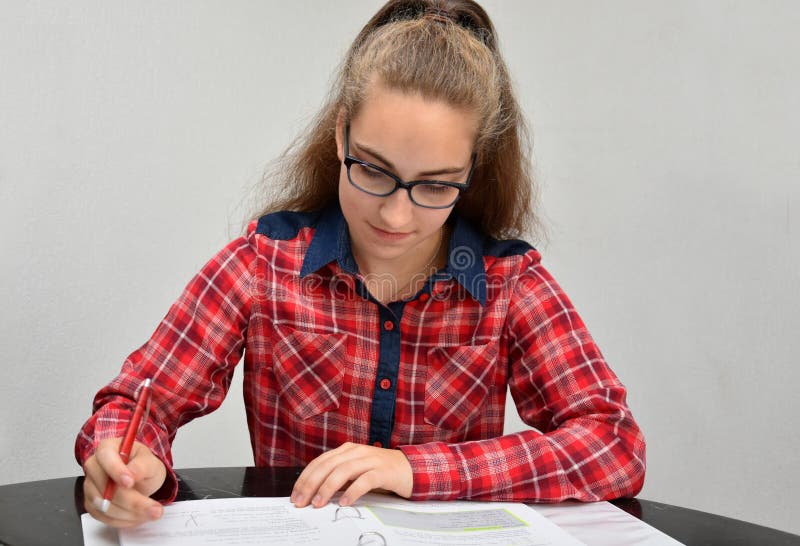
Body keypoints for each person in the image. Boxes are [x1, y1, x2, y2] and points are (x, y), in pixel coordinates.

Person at [77, 0, 646, 529]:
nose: (397, 215)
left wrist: (413, 469)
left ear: (473, 170)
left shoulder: (509, 283)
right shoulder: (262, 265)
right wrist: (128, 461)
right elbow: (133, 403)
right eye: (372, 170)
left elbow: (614, 445)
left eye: (435, 185)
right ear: (340, 131)